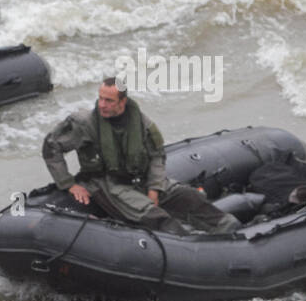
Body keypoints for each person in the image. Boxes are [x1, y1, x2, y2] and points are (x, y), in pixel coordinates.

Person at [42, 77, 241, 235]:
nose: (102, 104)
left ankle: (229, 228)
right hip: (107, 184)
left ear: (123, 102)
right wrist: (68, 183)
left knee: (189, 197)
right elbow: (51, 146)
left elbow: (156, 156)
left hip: (141, 179)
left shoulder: (141, 123)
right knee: (154, 216)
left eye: (109, 100)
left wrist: (155, 188)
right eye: (100, 98)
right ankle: (189, 244)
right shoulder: (84, 124)